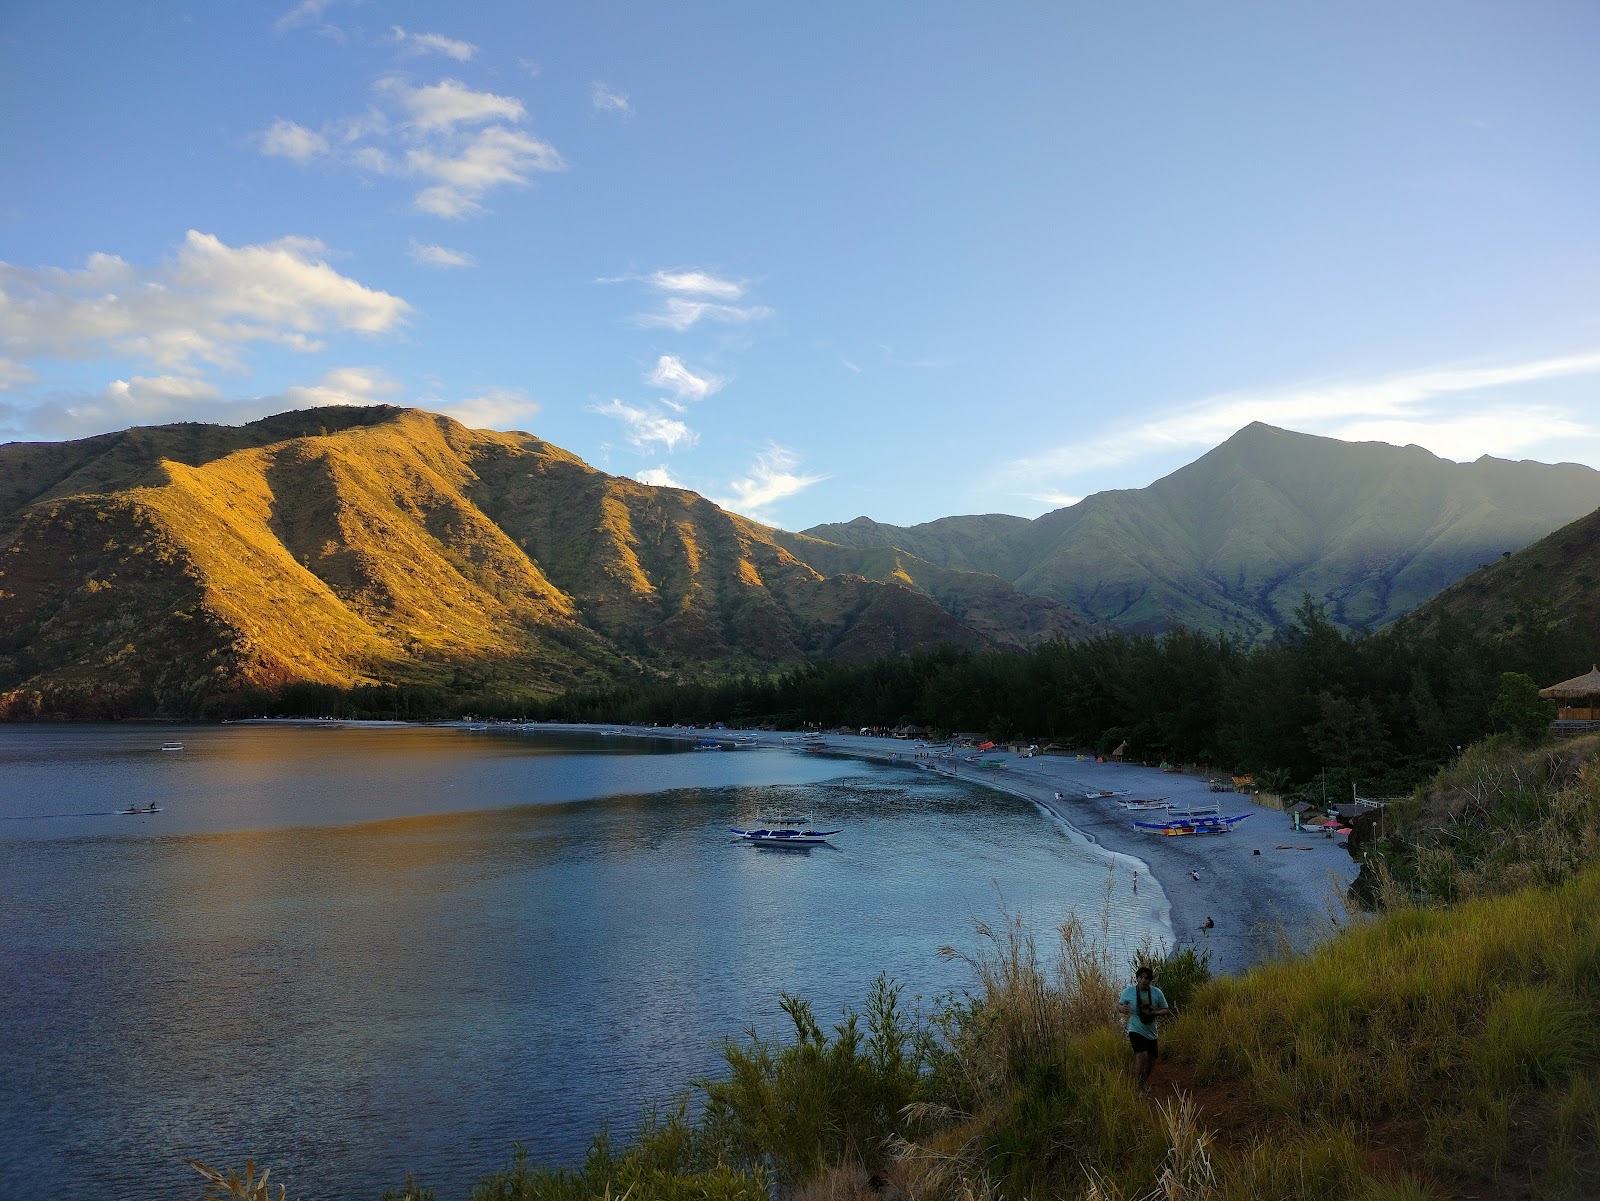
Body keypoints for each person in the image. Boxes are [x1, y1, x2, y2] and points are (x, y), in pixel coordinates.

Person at [1118, 966, 1170, 1094]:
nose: (1143, 980)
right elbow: (1118, 1004)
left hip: (1151, 1031)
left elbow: (1166, 1009)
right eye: (1141, 977)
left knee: (1152, 1058)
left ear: (1150, 980)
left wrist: (1155, 1012)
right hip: (1135, 1029)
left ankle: (1144, 1081)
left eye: (1147, 978)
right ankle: (1138, 1088)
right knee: (1141, 1055)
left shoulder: (1157, 993)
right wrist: (1122, 1008)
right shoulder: (1129, 991)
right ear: (1137, 978)